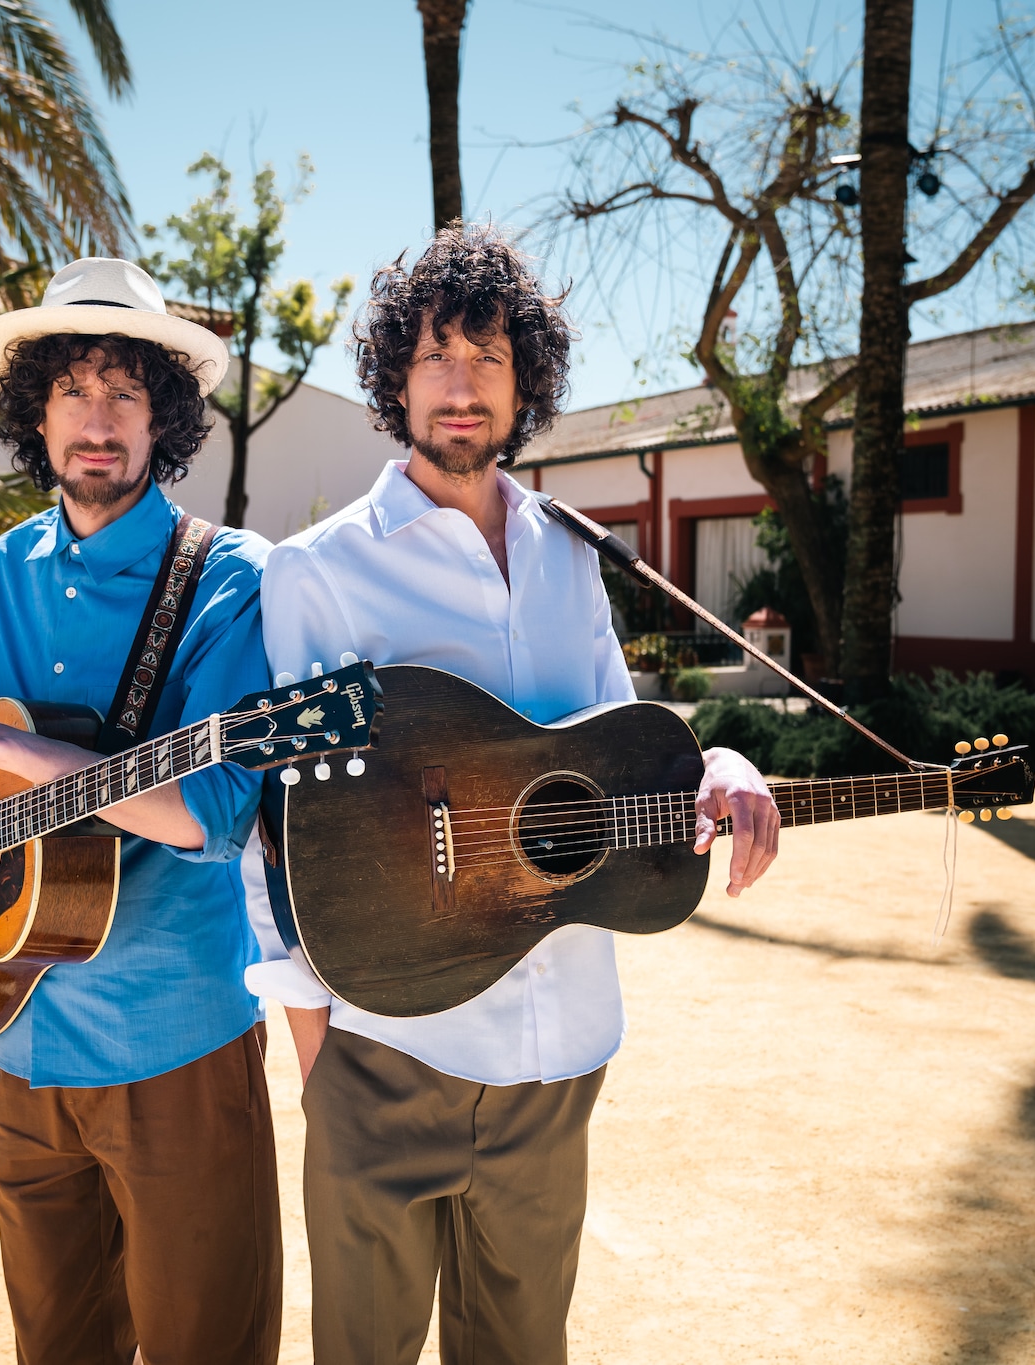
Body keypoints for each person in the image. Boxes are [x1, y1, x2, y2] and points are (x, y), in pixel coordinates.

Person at [250, 225, 783, 1365]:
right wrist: (318, 1056)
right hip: (387, 1052)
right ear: (394, 381)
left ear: (523, 381)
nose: (460, 386)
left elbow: (618, 751)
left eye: (486, 358)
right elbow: (279, 830)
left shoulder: (569, 555)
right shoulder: (320, 571)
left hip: (558, 1057)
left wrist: (719, 766)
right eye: (435, 357)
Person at [0, 258, 281, 1365]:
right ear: (34, 413)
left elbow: (211, 813)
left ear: (164, 419)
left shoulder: (229, 576)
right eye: (74, 390)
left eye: (126, 393)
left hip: (171, 1038)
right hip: (17, 1027)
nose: (99, 420)